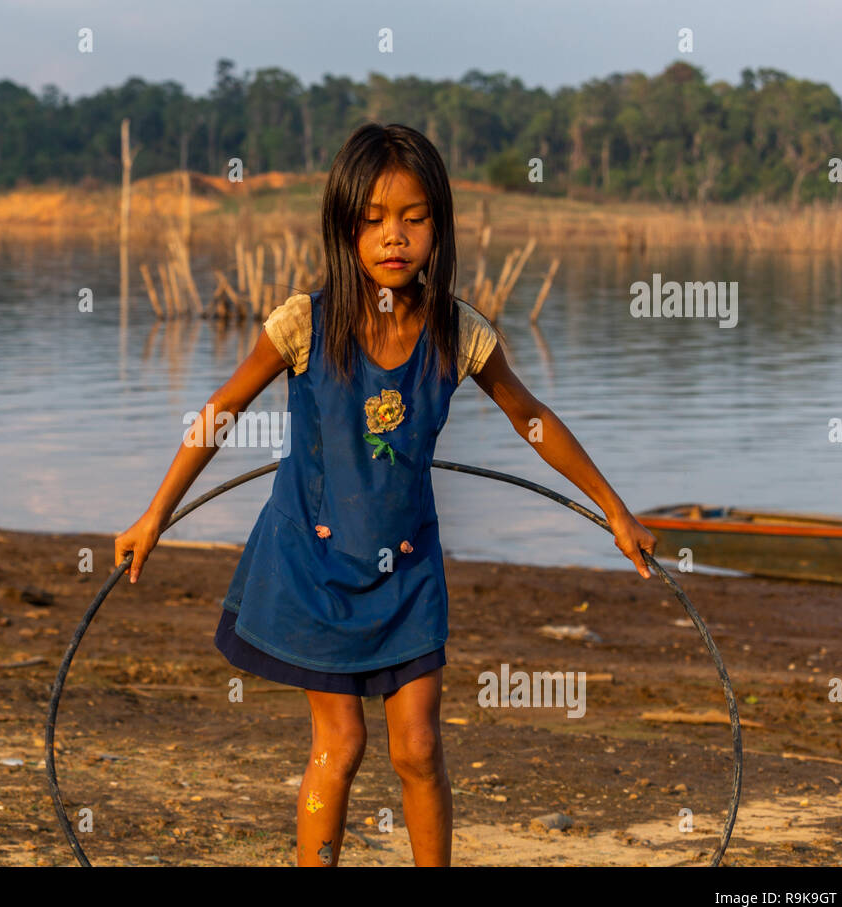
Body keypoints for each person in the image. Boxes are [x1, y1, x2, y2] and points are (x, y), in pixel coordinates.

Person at [114, 122, 657, 866]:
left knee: (420, 748)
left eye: (413, 217)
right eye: (372, 220)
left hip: (406, 570)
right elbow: (220, 412)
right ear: (345, 227)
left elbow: (529, 416)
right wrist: (155, 514)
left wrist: (615, 511)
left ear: (439, 225)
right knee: (340, 745)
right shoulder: (303, 324)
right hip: (312, 562)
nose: (392, 237)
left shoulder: (457, 333)